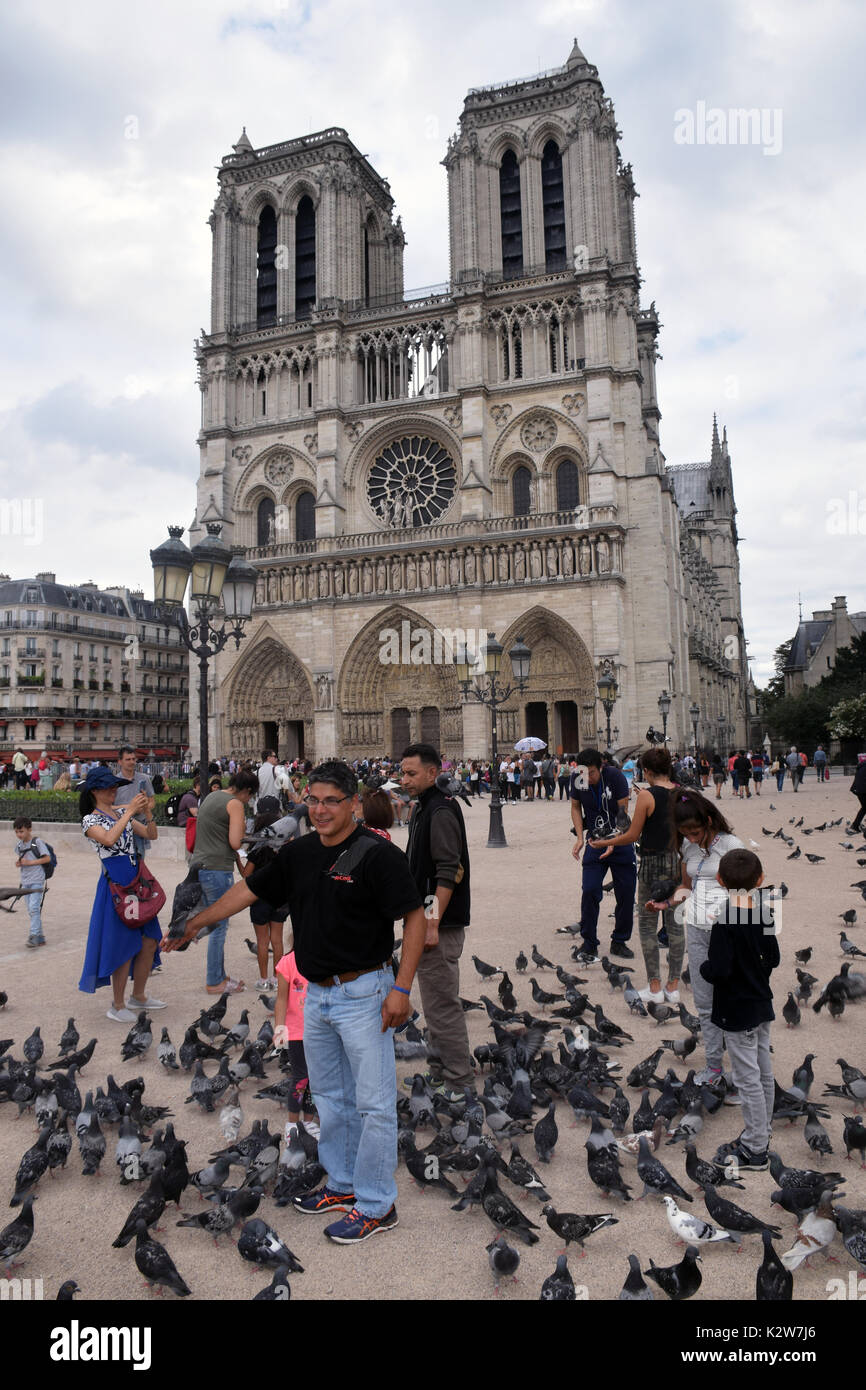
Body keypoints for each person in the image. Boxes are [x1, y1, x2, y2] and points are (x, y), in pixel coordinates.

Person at [166, 759, 427, 1244]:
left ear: (353, 804)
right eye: (313, 799)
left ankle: (376, 1204)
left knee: (372, 1104)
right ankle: (344, 1183)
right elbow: (249, 889)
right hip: (318, 995)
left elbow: (414, 920)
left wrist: (401, 989)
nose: (321, 809)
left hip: (365, 992)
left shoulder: (377, 855)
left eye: (332, 801)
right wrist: (197, 922)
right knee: (330, 1099)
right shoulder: (301, 851)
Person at [651, 789, 744, 1088]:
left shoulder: (731, 845)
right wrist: (667, 904)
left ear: (707, 820)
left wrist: (731, 915)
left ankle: (742, 1069)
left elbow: (749, 886)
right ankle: (714, 1066)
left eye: (694, 831)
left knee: (731, 998)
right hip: (697, 929)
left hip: (727, 933)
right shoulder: (688, 851)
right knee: (704, 1002)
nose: (690, 837)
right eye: (684, 833)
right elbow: (685, 888)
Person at [401, 743, 475, 1099]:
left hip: (438, 927)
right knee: (433, 1004)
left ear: (433, 773)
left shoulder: (441, 811)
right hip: (427, 921)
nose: (405, 780)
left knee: (443, 1006)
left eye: (412, 773)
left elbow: (449, 870)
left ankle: (459, 1082)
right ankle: (439, 1072)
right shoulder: (425, 808)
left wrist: (431, 922)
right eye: (403, 773)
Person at [701, 849, 779, 1171]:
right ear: (760, 880)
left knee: (748, 1079)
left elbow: (718, 969)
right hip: (761, 1004)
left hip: (737, 1012)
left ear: (719, 881)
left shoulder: (724, 924)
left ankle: (755, 1148)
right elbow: (773, 958)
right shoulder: (765, 912)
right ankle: (763, 1131)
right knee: (764, 1072)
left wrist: (705, 968)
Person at [588, 747, 681, 1003]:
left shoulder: (647, 796)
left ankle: (654, 987)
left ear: (648, 772)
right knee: (675, 925)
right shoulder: (682, 794)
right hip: (674, 861)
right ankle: (673, 987)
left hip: (651, 862)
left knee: (648, 926)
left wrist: (605, 843)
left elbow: (632, 835)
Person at [78, 765, 163, 1022]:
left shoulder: (119, 813)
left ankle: (138, 995)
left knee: (150, 939)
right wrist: (128, 813)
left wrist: (147, 811)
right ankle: (117, 1004)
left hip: (134, 881)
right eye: (109, 786)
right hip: (116, 884)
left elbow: (151, 834)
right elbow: (108, 840)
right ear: (95, 791)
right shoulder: (89, 820)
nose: (115, 790)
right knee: (124, 944)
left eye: (115, 786)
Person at [190, 769, 258, 994]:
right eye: (250, 796)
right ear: (247, 791)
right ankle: (214, 981)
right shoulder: (235, 804)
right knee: (220, 925)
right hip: (218, 868)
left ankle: (219, 974)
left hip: (201, 865)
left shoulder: (211, 796)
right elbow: (236, 842)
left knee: (215, 921)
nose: (249, 801)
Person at [570, 747, 637, 964]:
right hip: (595, 841)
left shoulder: (615, 777)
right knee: (589, 890)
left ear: (601, 766)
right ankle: (589, 942)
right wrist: (580, 837)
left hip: (620, 840)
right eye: (583, 773)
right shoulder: (578, 778)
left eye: (591, 773)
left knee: (626, 892)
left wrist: (613, 841)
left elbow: (622, 813)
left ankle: (619, 940)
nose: (587, 778)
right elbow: (575, 806)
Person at [240, 797, 291, 989]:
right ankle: (277, 979)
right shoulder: (286, 843)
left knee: (263, 941)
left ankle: (263, 980)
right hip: (281, 899)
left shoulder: (258, 845)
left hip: (260, 898)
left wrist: (238, 860)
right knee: (277, 941)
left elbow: (247, 875)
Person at [273, 948, 319, 1141]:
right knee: (301, 1078)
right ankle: (292, 1122)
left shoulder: (322, 956)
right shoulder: (287, 962)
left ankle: (309, 1121)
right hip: (297, 1032)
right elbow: (281, 999)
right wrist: (279, 1028)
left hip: (319, 1030)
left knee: (316, 1080)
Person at [13, 816, 50, 948]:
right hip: (25, 881)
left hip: (37, 880)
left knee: (34, 908)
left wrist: (30, 862)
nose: (19, 834)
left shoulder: (37, 842)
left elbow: (47, 859)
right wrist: (20, 863)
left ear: (29, 829)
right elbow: (24, 859)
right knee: (31, 909)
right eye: (16, 832)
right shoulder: (18, 846)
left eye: (21, 831)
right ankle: (40, 937)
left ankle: (34, 936)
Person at [113, 746, 155, 860]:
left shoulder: (144, 779)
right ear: (120, 761)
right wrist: (128, 808)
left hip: (140, 827)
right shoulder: (114, 781)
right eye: (128, 759)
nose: (132, 762)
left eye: (133, 759)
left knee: (139, 864)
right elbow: (108, 807)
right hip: (120, 828)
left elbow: (152, 802)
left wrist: (144, 807)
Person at [849, 755, 866, 835]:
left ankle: (855, 825)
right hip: (863, 790)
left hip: (857, 790)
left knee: (864, 808)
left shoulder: (861, 766)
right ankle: (855, 825)